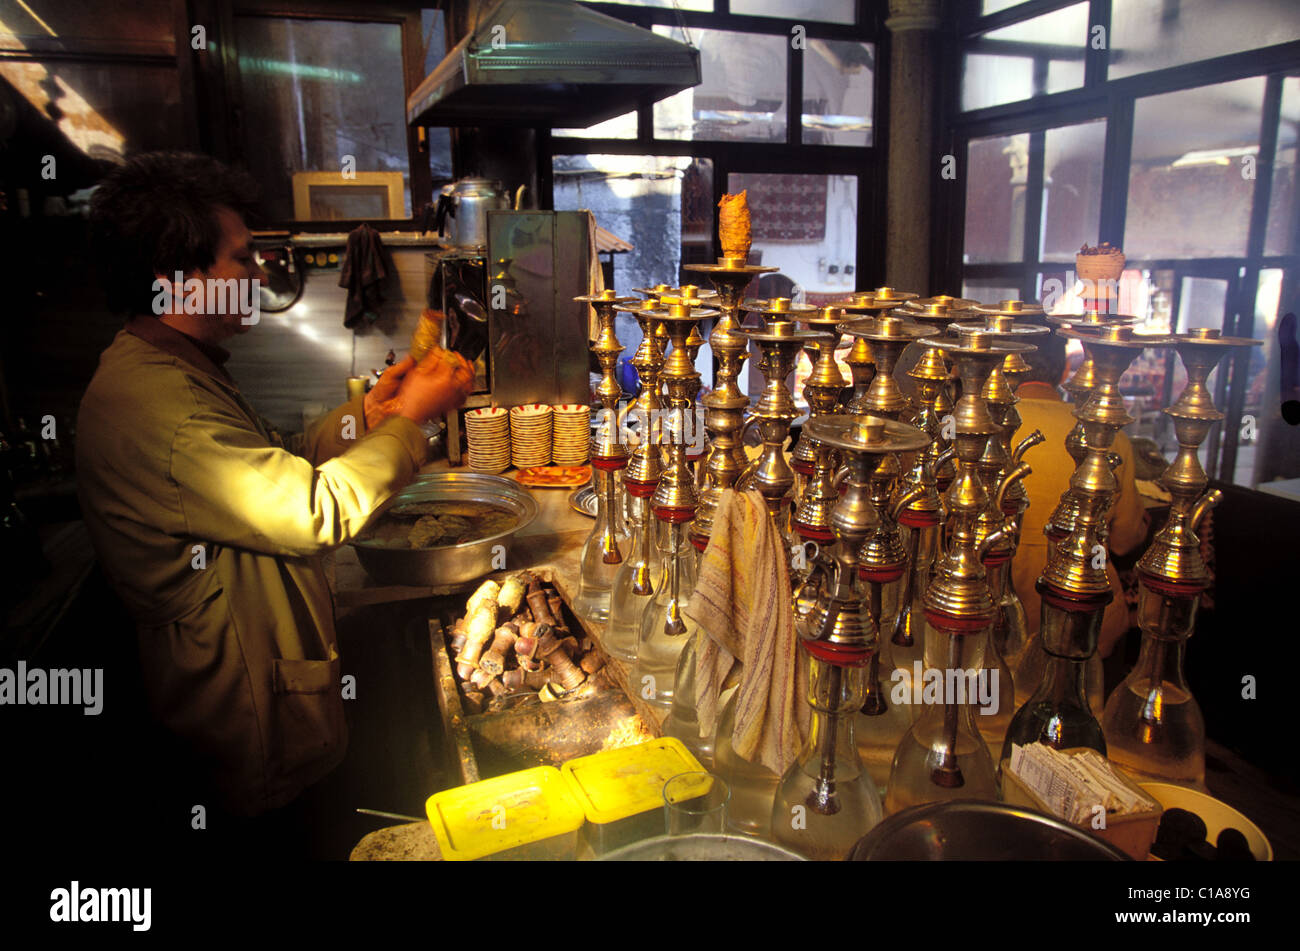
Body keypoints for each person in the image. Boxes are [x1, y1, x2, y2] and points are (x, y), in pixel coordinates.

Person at [76, 152, 474, 825]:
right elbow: (311, 508)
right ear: (174, 280)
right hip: (240, 722)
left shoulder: (174, 367)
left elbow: (273, 461)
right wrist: (413, 420)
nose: (258, 274)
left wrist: (367, 415)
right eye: (240, 260)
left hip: (249, 691)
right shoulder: (158, 405)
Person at [1012, 327, 1148, 659]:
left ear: (1009, 365)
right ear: (1063, 371)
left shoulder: (989, 425)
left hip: (1002, 599)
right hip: (1085, 608)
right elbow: (1126, 538)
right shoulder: (1107, 434)